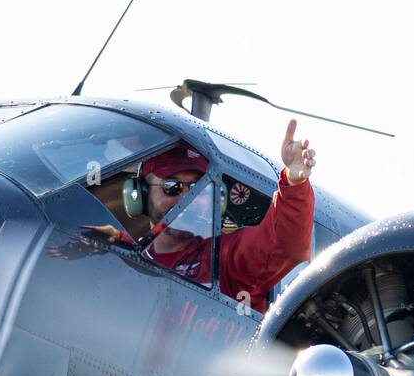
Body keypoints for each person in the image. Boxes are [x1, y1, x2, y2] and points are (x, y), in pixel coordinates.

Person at [91, 120, 315, 314]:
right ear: (139, 195)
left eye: (200, 188)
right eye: (172, 186)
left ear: (219, 199)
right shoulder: (119, 256)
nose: (188, 198)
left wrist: (294, 184)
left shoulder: (225, 260)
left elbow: (285, 245)